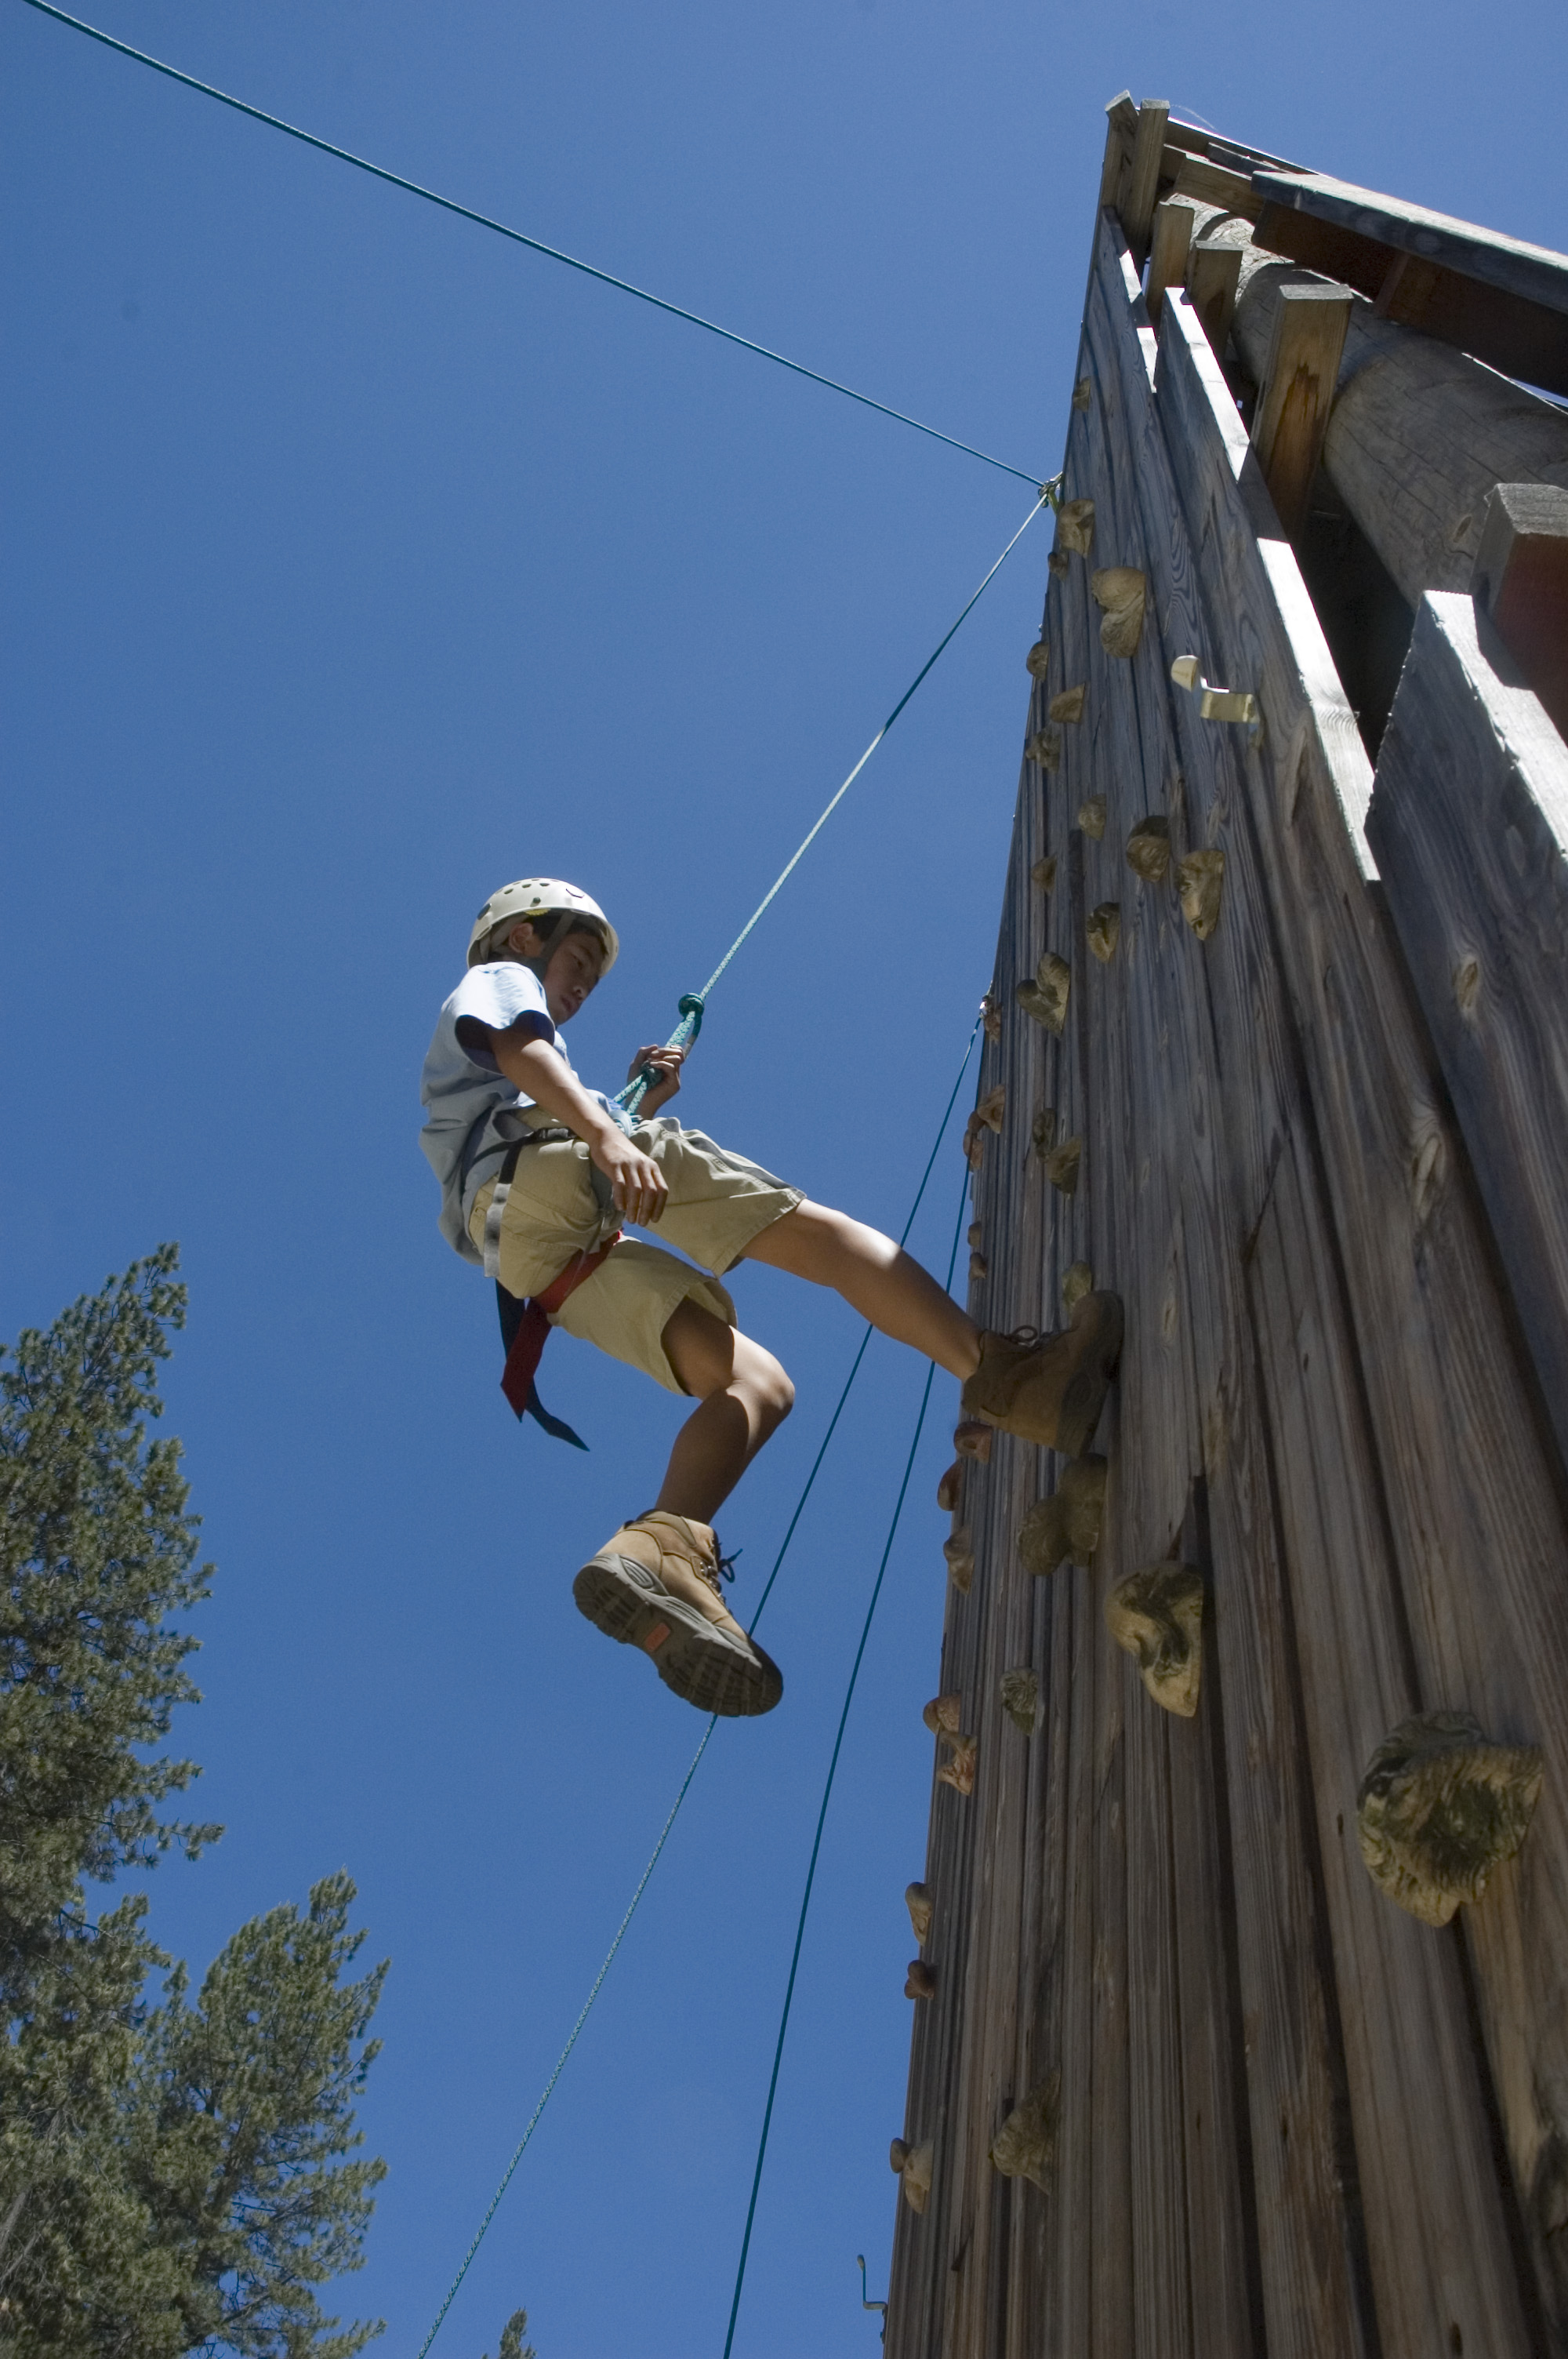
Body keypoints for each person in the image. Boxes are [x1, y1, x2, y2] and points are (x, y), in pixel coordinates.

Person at [420, 878, 1122, 1720]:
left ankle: (663, 1547)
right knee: (819, 1239)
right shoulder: (504, 981)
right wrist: (609, 1134)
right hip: (543, 1179)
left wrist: (627, 1100)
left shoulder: (510, 1066)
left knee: (758, 1385)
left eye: (589, 980)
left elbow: (532, 1089)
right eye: (575, 960)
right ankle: (1009, 1378)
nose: (577, 987)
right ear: (522, 936)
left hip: (539, 1258)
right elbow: (522, 1045)